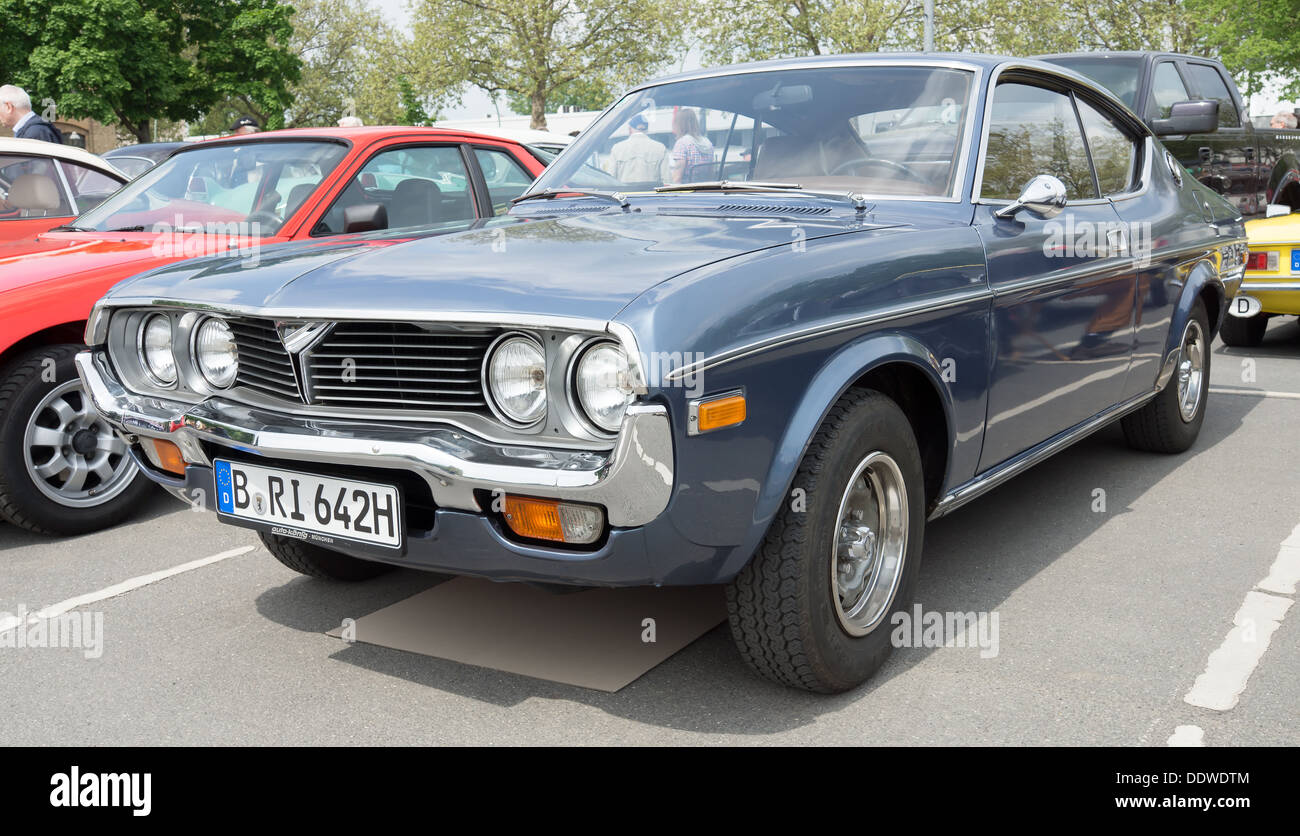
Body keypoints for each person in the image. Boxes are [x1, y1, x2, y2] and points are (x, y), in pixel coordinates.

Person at [605, 113, 666, 184]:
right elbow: (666, 180)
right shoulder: (660, 148)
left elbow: (610, 178)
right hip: (650, 194)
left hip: (625, 194)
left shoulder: (617, 148)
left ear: (630, 129)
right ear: (647, 129)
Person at [668, 107, 714, 184]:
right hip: (705, 189)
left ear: (679, 124)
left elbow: (677, 177)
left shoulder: (682, 143)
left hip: (687, 190)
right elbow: (711, 173)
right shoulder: (708, 143)